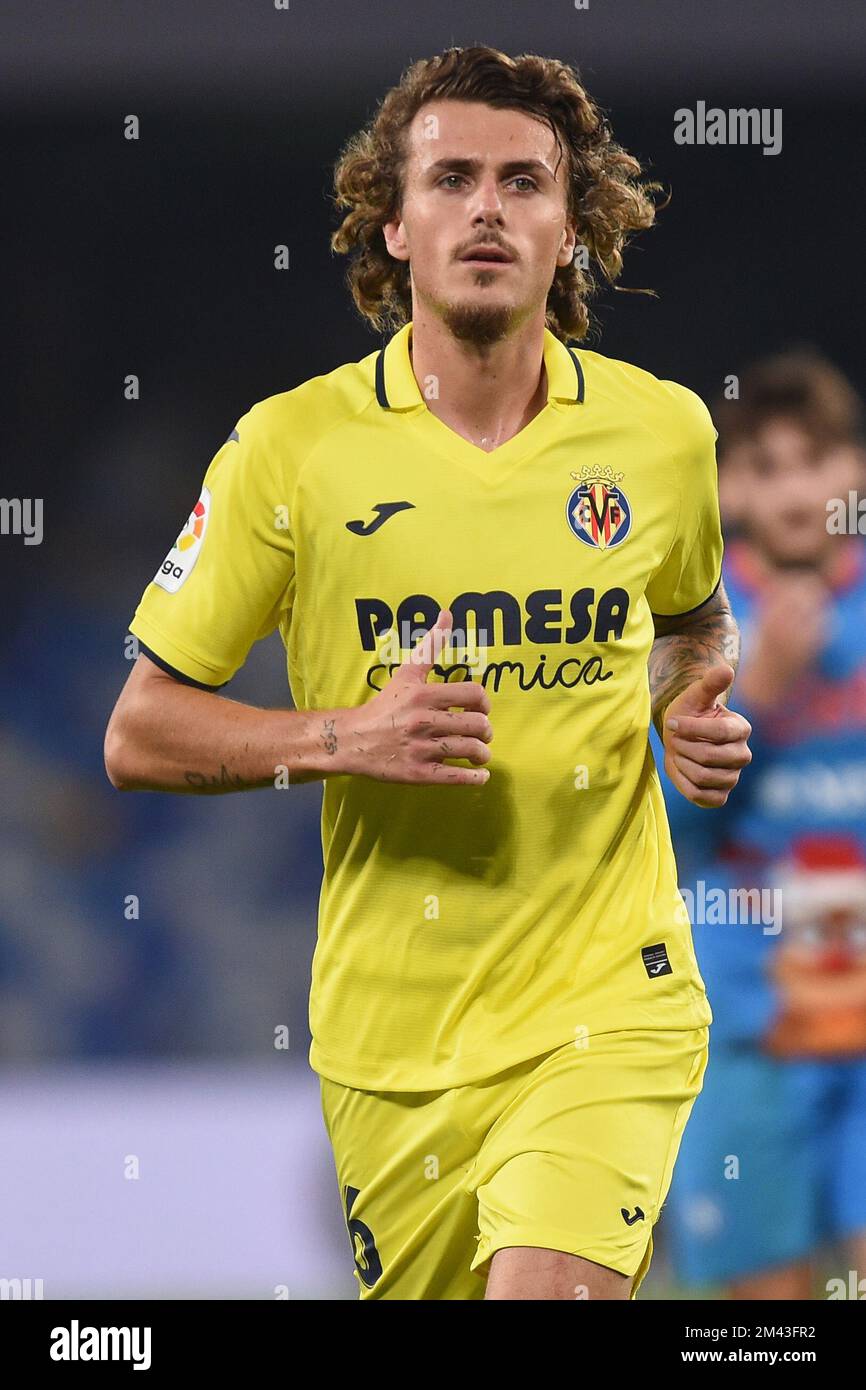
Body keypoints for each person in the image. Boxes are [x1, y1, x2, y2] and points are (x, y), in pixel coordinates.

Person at [104, 45, 751, 1300]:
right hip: (391, 1042)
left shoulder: (661, 432)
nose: (488, 209)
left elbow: (695, 617)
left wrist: (685, 698)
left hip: (606, 1005)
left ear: (572, 227)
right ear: (392, 226)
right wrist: (348, 736)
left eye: (524, 182)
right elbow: (138, 733)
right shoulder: (291, 450)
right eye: (452, 178)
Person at [655, 351, 866, 1299]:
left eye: (814, 461)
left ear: (854, 472)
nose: (793, 490)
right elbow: (659, 828)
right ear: (731, 487)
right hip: (746, 1030)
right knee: (768, 1323)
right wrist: (764, 695)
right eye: (765, 468)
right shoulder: (691, 633)